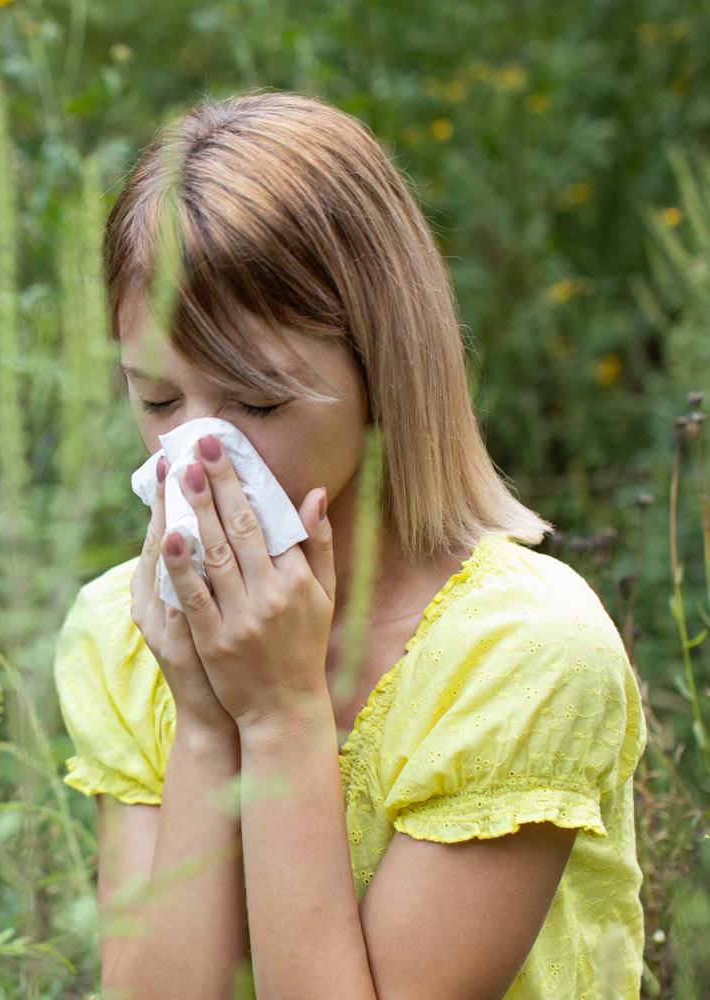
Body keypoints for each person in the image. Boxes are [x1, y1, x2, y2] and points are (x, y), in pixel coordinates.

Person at [52, 90, 648, 1000]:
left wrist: (283, 712)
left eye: (257, 402)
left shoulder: (519, 655)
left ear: (384, 366)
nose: (201, 459)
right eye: (159, 401)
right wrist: (205, 720)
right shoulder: (123, 634)